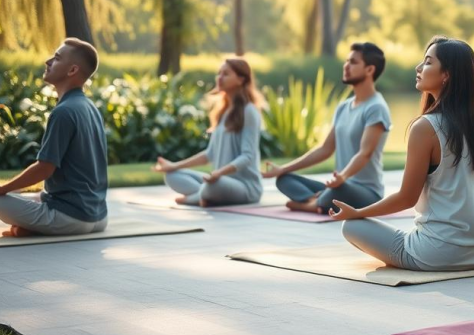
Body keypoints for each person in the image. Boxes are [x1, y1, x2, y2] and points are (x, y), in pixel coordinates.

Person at [331, 37, 474, 271]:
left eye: (427, 62)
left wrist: (358, 213)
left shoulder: (426, 127)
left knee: (351, 226)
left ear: (447, 74)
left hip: (439, 254)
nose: (418, 68)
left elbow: (407, 198)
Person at [0, 39, 109, 237]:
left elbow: (45, 168)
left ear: (72, 70)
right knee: (33, 196)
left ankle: (32, 228)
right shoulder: (90, 108)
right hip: (99, 217)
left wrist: (1, 188)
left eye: (56, 58)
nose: (47, 61)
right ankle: (28, 228)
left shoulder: (63, 112)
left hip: (71, 219)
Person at [262, 43, 391, 214]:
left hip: (367, 193)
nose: (346, 66)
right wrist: (283, 168)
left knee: (337, 191)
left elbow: (364, 153)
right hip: (339, 185)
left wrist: (343, 177)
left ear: (369, 70)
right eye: (346, 61)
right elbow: (325, 149)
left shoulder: (376, 108)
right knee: (284, 180)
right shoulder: (343, 107)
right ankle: (316, 201)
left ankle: (310, 203)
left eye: (353, 62)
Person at [154, 59, 264, 206]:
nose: (219, 77)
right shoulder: (222, 112)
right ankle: (204, 197)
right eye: (219, 73)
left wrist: (220, 173)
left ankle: (196, 198)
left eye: (225, 74)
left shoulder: (249, 111)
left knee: (214, 185)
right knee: (171, 176)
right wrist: (174, 166)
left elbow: (247, 156)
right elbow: (209, 154)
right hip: (219, 180)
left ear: (241, 79)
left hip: (245, 187)